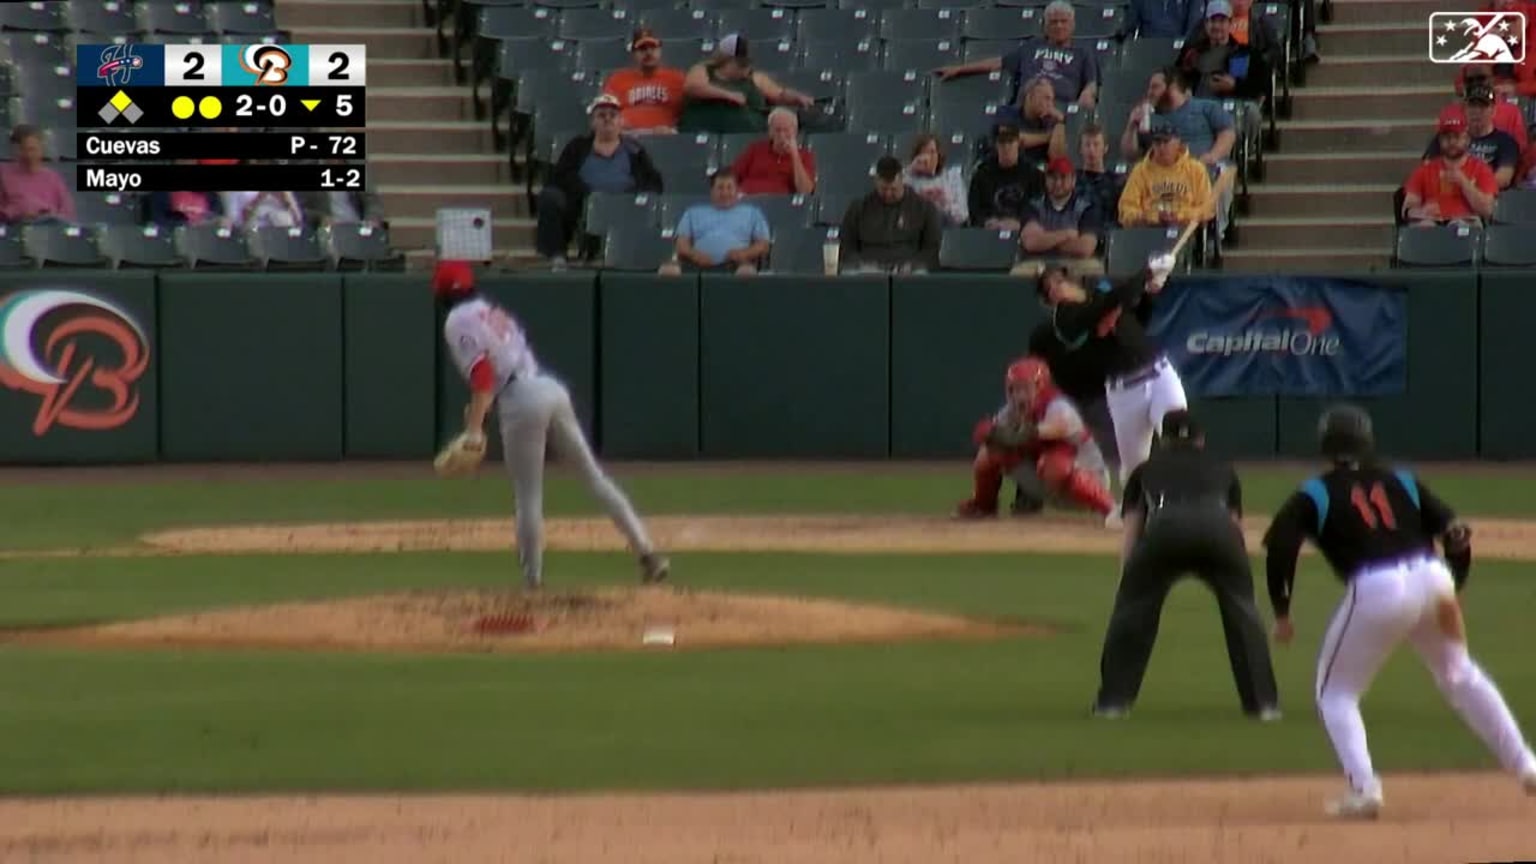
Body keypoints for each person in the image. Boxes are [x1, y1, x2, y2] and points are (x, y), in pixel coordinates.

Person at [1261, 404, 1536, 818]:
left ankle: (1365, 788)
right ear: (1367, 440)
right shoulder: (1402, 481)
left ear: (1325, 444)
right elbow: (1456, 534)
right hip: (1432, 577)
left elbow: (1281, 546)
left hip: (1378, 588)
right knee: (1460, 675)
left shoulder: (1314, 493)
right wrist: (1454, 585)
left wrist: (1282, 610)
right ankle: (1527, 765)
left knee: (1335, 693)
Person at [433, 259, 670, 590]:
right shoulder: (490, 309)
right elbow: (496, 373)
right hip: (549, 388)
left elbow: (484, 376)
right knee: (594, 477)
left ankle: (533, 583)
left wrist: (474, 429)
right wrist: (479, 414)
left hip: (520, 401)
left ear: (441, 293)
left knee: (528, 496)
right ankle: (648, 554)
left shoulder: (456, 320)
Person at [1093, 410, 1280, 720]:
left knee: (1132, 615)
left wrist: (1128, 581)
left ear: (1163, 440)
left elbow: (1132, 530)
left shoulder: (1145, 470)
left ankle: (1113, 703)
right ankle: (1263, 706)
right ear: (1200, 440)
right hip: (1219, 534)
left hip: (1164, 533)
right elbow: (1234, 527)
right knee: (1244, 617)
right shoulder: (1224, 469)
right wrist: (1241, 581)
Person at [1035, 252, 1188, 500]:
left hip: (1160, 374)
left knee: (1180, 434)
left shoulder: (1101, 289)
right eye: (1047, 288)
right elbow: (1104, 307)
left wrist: (1151, 289)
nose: (1054, 289)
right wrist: (1146, 274)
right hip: (1124, 391)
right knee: (1134, 467)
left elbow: (1137, 318)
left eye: (1057, 281)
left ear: (1072, 278)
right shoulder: (1064, 319)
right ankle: (1134, 511)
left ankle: (1189, 504)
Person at [953, 356, 1116, 525]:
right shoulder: (1011, 412)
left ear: (1040, 387)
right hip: (1048, 486)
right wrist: (990, 433)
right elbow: (988, 433)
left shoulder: (1057, 405)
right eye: (1013, 390)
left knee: (1055, 462)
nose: (1018, 396)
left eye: (1024, 389)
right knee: (989, 453)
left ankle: (1110, 509)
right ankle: (984, 506)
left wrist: (1024, 433)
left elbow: (1059, 428)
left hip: (1089, 481)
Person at [537, 94, 665, 268]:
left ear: (620, 122)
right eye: (601, 115)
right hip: (583, 201)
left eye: (613, 115)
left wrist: (633, 196)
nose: (607, 119)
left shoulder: (635, 150)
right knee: (550, 197)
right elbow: (561, 176)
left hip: (625, 204)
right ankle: (557, 256)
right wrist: (587, 193)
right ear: (592, 122)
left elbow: (653, 181)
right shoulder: (577, 146)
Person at [935, 0, 1099, 109]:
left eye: (1064, 21)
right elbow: (999, 63)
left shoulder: (1082, 52)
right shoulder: (1032, 47)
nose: (1059, 26)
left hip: (1060, 108)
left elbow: (1092, 82)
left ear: (1072, 24)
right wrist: (960, 69)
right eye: (1053, 22)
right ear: (1045, 26)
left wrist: (1087, 93)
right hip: (1026, 109)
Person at [677, 34, 813, 135]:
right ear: (726, 60)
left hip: (747, 135)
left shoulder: (755, 78)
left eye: (747, 64)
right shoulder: (703, 70)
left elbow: (779, 94)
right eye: (740, 64)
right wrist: (728, 95)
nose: (745, 68)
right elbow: (693, 87)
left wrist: (797, 97)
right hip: (703, 131)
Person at [837, 155, 942, 274]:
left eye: (893, 189)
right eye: (883, 189)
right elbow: (846, 247)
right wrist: (862, 264)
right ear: (876, 181)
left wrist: (912, 265)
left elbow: (932, 250)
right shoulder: (858, 208)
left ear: (902, 179)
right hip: (868, 269)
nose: (888, 194)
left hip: (908, 269)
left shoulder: (924, 208)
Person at [667, 169, 772, 274]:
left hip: (737, 266)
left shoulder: (752, 213)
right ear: (712, 191)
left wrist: (743, 253)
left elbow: (763, 245)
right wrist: (695, 255)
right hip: (696, 265)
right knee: (668, 270)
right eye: (720, 188)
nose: (725, 193)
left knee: (747, 271)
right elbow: (681, 244)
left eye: (729, 187)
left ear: (737, 191)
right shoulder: (693, 212)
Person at [1400, 115, 1497, 227]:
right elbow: (1407, 208)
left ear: (1466, 139)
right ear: (1440, 140)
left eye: (1456, 137)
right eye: (1446, 137)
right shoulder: (1424, 171)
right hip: (1433, 223)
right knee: (1425, 226)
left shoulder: (1482, 169)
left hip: (1465, 223)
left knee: (1460, 226)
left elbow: (1487, 211)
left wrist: (1463, 182)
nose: (1451, 142)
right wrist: (1422, 212)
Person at [1017, 156, 1103, 276]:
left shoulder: (1087, 208)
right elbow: (1031, 242)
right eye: (1053, 177)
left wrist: (1045, 240)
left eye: (1063, 177)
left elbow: (1085, 247)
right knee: (1018, 272)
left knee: (1094, 269)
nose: (1058, 183)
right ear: (1046, 180)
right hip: (1037, 262)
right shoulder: (1033, 206)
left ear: (1073, 180)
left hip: (1074, 262)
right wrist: (1067, 234)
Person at [1118, 124, 1215, 229]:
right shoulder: (1140, 171)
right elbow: (1126, 208)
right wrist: (1150, 217)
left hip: (1186, 231)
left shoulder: (1196, 170)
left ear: (1178, 143)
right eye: (1157, 143)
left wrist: (1180, 216)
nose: (1161, 147)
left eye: (1166, 142)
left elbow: (1207, 209)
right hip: (1148, 231)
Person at [601, 27, 687, 135]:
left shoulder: (677, 79)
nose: (648, 52)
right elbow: (605, 113)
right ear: (634, 53)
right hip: (628, 137)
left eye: (653, 47)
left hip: (666, 137)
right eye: (642, 48)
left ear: (660, 50)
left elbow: (688, 115)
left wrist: (672, 130)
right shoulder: (617, 80)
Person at [967, 126, 1045, 231]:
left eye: (1010, 142)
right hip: (989, 232)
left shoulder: (1034, 174)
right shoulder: (982, 174)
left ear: (1018, 143)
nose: (1006, 147)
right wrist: (986, 222)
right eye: (1002, 143)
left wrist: (1022, 222)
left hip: (1025, 231)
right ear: (996, 145)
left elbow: (1040, 208)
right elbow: (974, 210)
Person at [730, 107, 817, 196]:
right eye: (777, 130)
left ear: (795, 132)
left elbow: (806, 191)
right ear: (770, 132)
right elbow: (732, 176)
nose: (782, 135)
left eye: (786, 130)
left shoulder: (805, 155)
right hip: (748, 200)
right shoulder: (755, 149)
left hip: (780, 204)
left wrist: (794, 154)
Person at [0, 124, 75, 223]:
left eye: (34, 149)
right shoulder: (3, 174)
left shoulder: (52, 177)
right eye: (26, 149)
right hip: (16, 226)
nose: (30, 155)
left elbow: (66, 212)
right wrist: (18, 212)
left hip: (49, 227)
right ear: (16, 150)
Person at [902, 133, 969, 227]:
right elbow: (898, 211)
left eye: (932, 152)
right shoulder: (908, 178)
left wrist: (944, 203)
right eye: (923, 153)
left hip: (945, 230)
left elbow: (963, 216)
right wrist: (911, 169)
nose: (927, 158)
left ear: (939, 154)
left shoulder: (952, 177)